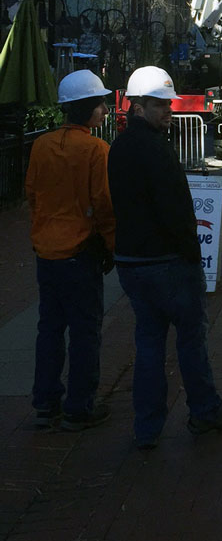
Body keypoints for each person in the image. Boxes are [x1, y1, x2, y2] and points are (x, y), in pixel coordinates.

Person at [108, 66, 222, 450]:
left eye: (168, 104)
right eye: (160, 105)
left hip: (133, 262)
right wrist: (190, 257)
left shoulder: (120, 147)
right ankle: (204, 411)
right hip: (167, 263)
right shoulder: (156, 149)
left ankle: (147, 428)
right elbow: (176, 211)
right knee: (190, 340)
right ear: (138, 105)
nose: (169, 110)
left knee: (149, 344)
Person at [26, 71, 115, 431]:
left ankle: (45, 402)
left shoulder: (42, 146)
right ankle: (79, 405)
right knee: (84, 330)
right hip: (81, 251)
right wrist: (112, 245)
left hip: (46, 250)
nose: (106, 110)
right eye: (102, 104)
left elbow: (32, 192)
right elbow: (105, 204)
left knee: (49, 327)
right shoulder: (97, 150)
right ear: (90, 110)